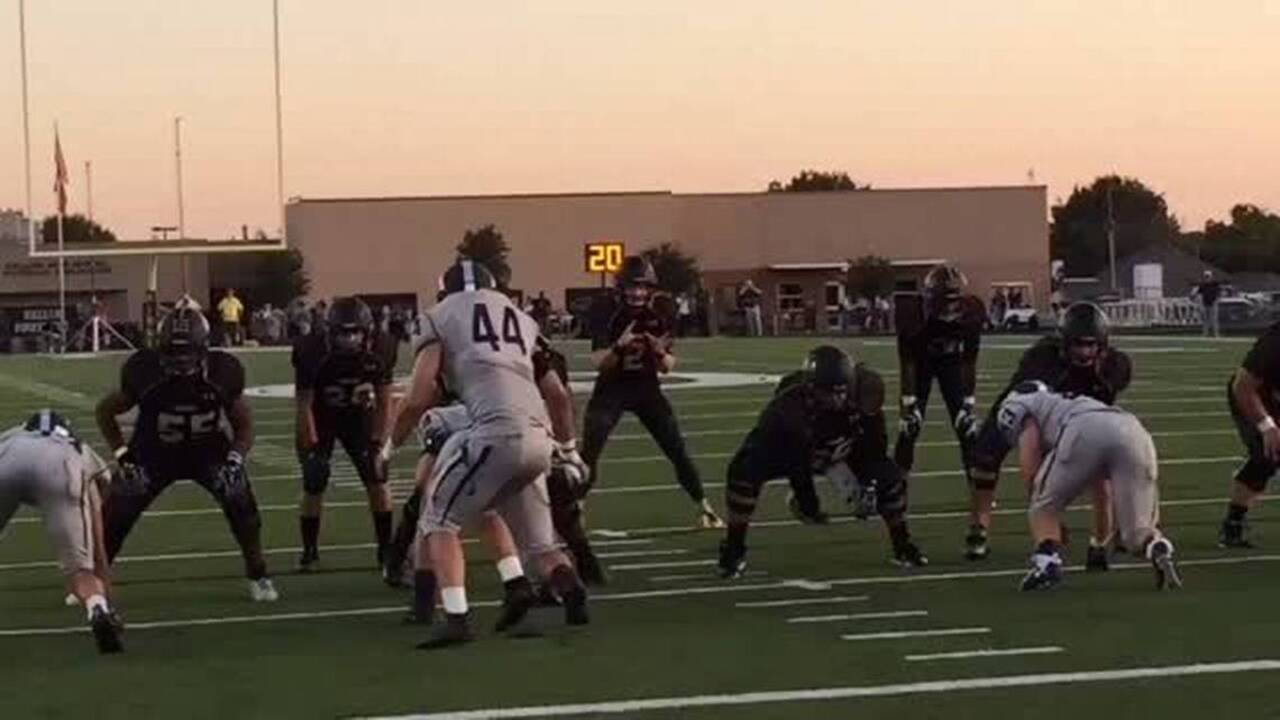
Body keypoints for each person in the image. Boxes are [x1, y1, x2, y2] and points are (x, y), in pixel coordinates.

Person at [380, 259, 588, 649]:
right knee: (541, 543)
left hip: (494, 432)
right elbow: (558, 395)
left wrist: (390, 445)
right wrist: (571, 451)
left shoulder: (439, 316)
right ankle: (568, 587)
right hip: (539, 437)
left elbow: (419, 395)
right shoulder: (521, 319)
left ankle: (455, 617)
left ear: (445, 293)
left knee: (438, 519)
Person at [555, 256, 722, 586]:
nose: (637, 292)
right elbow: (598, 362)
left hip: (647, 389)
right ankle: (577, 510)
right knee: (591, 452)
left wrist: (659, 352)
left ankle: (704, 506)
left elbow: (669, 366)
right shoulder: (608, 312)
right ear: (621, 288)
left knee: (676, 448)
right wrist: (619, 347)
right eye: (632, 286)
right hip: (612, 389)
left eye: (643, 286)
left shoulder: (660, 312)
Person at [95, 306, 278, 602]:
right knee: (116, 512)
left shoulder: (223, 372)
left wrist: (234, 460)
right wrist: (123, 455)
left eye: (187, 353)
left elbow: (244, 425)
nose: (180, 361)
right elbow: (105, 411)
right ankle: (95, 580)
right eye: (173, 353)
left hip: (208, 450)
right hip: (153, 451)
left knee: (242, 504)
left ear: (203, 349)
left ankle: (258, 573)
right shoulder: (144, 371)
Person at [718, 346, 928, 577]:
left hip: (843, 447)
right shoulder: (786, 410)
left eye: (842, 391)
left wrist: (870, 483)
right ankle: (734, 548)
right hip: (796, 452)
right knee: (744, 471)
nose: (838, 399)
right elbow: (795, 463)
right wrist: (809, 503)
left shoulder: (865, 391)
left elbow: (875, 449)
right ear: (811, 388)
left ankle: (902, 544)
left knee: (891, 480)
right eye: (830, 393)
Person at [967, 302, 1132, 566]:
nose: (1085, 351)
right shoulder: (1043, 359)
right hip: (1026, 412)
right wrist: (1048, 513)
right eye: (1078, 344)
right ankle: (980, 527)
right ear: (1064, 343)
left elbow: (1103, 404)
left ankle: (1107, 534)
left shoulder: (1112, 365)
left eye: (1091, 344)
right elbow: (1030, 433)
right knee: (985, 460)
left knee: (1106, 467)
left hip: (1076, 418)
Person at [998, 383, 1180, 592]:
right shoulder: (1072, 402)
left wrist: (1046, 515)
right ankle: (1156, 546)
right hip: (1132, 430)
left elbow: (1030, 456)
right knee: (1136, 535)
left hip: (1083, 429)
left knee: (1042, 506)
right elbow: (1102, 491)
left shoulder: (1017, 404)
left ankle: (1046, 565)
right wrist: (1099, 545)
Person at [0, 411, 124, 653]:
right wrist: (105, 594)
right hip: (59, 467)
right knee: (82, 572)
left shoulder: (11, 437)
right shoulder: (80, 448)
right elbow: (98, 535)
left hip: (8, 463)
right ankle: (96, 608)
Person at [292, 297, 398, 574]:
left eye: (356, 332)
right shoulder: (310, 350)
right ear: (329, 332)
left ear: (368, 332)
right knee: (314, 481)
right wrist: (312, 445)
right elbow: (304, 404)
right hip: (321, 415)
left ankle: (385, 550)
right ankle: (310, 552)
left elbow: (386, 401)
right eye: (343, 333)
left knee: (378, 478)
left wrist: (378, 443)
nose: (350, 339)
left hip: (359, 417)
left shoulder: (383, 348)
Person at [893, 264, 985, 484]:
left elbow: (969, 359)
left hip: (951, 363)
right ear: (931, 299)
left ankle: (978, 484)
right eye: (946, 302)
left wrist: (968, 403)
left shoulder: (971, 312)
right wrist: (908, 404)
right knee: (909, 427)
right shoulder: (912, 314)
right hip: (920, 363)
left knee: (966, 427)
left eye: (954, 302)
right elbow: (907, 362)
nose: (951, 309)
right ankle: (896, 485)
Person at [1219, 320, 1280, 548]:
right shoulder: (1275, 342)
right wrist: (1267, 427)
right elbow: (1243, 385)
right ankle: (1233, 523)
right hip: (1254, 395)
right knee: (1267, 454)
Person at [1193, 270, 1223, 338]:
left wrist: (1216, 301)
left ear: (1211, 277)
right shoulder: (1203, 285)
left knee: (1214, 320)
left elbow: (1218, 293)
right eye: (1206, 277)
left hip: (1213, 303)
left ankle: (1216, 334)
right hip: (1205, 303)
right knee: (1206, 320)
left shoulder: (1215, 284)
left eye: (1208, 276)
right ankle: (1205, 334)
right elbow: (1198, 293)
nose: (1207, 278)